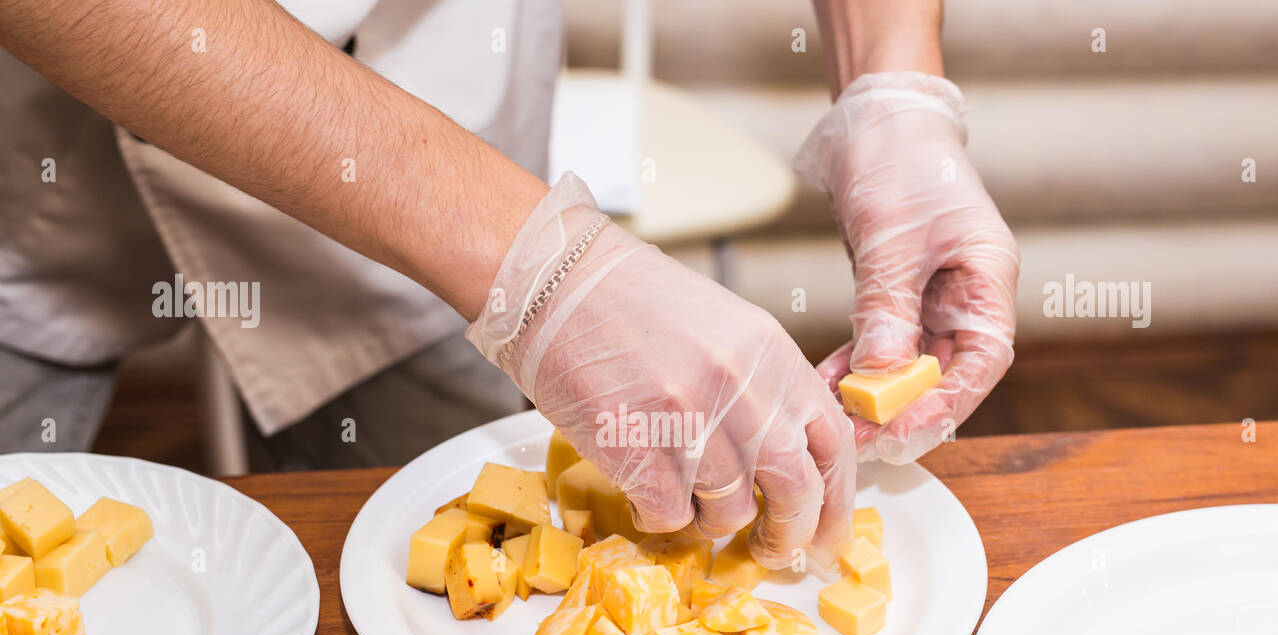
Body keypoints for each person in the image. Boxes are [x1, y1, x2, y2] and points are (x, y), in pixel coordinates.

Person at [0, 0, 1017, 572]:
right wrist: (542, 267)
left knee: (463, 577)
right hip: (36, 130)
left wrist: (893, 89)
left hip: (421, 100)